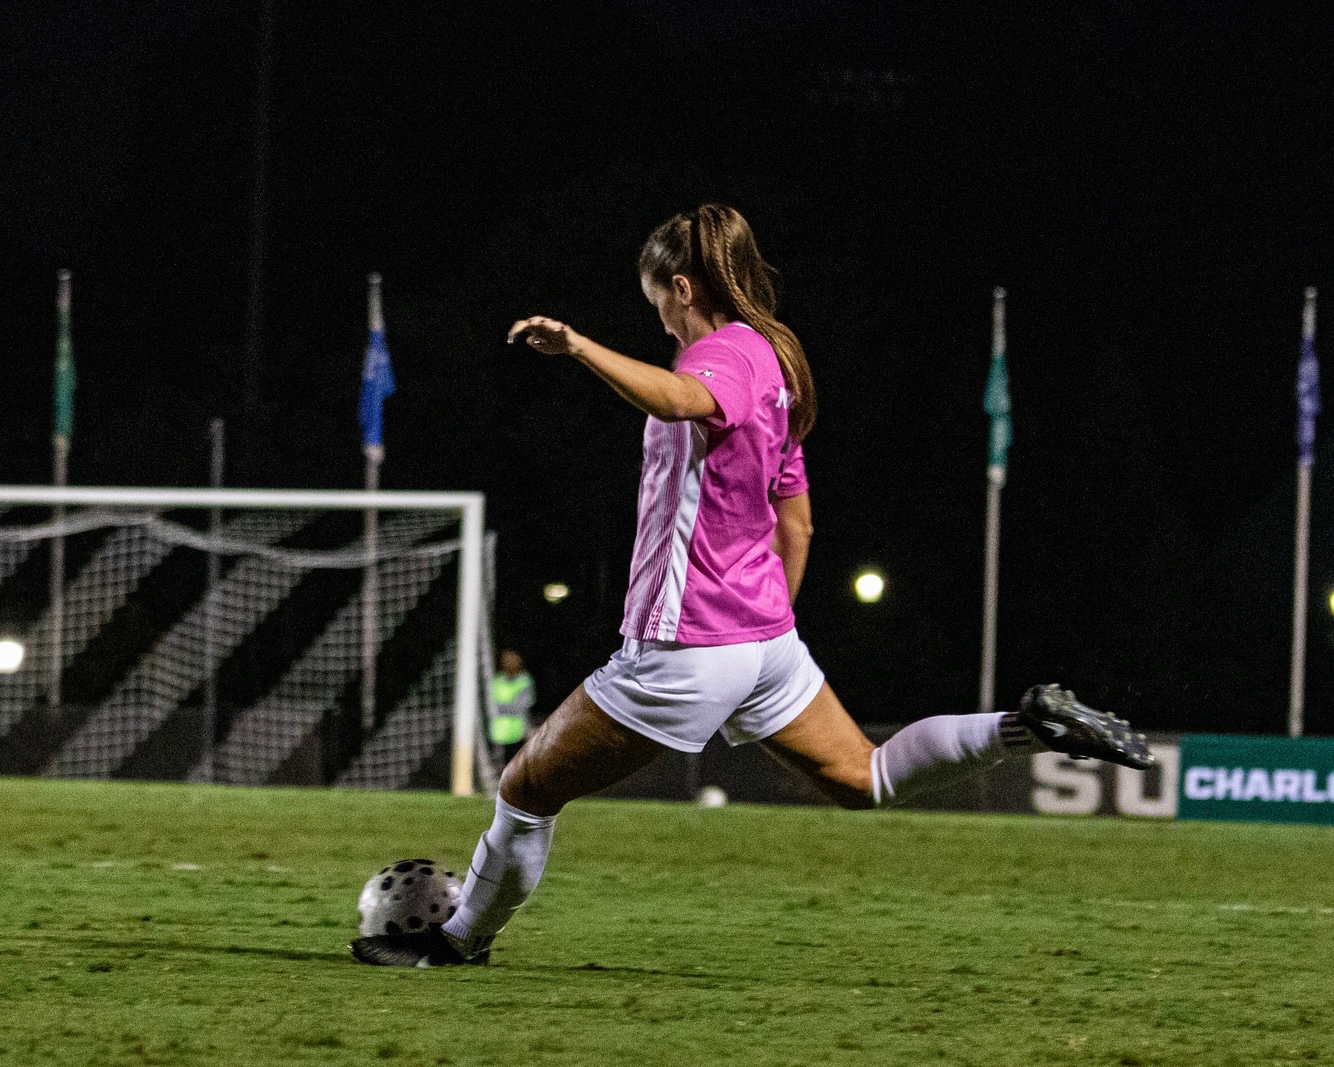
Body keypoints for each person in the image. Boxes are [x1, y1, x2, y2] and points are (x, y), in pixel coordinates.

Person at [351, 203, 1152, 967]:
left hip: (686, 641)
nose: (662, 323)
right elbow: (796, 526)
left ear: (683, 288)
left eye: (659, 305)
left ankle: (457, 940)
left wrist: (581, 348)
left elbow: (684, 398)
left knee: (525, 788)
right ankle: (1026, 724)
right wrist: (764, 638)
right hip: (765, 638)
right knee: (865, 776)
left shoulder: (722, 357)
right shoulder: (777, 363)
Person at [489, 649, 535, 767]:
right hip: (498, 734)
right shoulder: (496, 681)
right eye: (507, 661)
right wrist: (508, 707)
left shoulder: (524, 681)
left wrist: (501, 708)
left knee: (516, 768)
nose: (509, 663)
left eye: (512, 661)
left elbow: (520, 707)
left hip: (517, 733)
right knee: (499, 770)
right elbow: (491, 706)